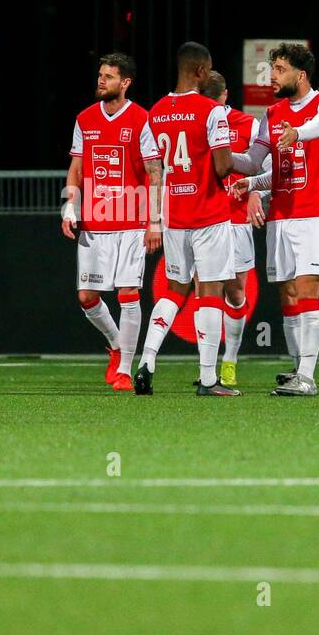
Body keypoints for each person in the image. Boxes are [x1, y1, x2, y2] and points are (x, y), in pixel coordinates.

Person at [230, 43, 319, 396]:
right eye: (273, 68)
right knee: (289, 293)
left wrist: (298, 132)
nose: (273, 76)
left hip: (316, 214)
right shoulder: (273, 112)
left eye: (279, 68)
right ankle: (299, 368)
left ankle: (307, 377)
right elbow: (253, 161)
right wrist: (235, 168)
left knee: (308, 289)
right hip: (281, 214)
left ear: (301, 74)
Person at [135, 42, 239, 397]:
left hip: (174, 217)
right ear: (200, 71)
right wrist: (249, 170)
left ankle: (147, 360)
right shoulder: (213, 112)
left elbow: (153, 172)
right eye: (209, 70)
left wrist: (155, 220)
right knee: (209, 291)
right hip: (209, 213)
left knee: (174, 290)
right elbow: (224, 165)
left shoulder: (154, 113)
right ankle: (209, 379)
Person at [62, 53, 161, 392]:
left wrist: (154, 221)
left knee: (128, 293)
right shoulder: (85, 119)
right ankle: (117, 344)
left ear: (125, 82)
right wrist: (69, 206)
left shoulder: (141, 119)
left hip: (131, 223)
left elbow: (153, 172)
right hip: (94, 223)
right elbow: (76, 167)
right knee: (87, 296)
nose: (101, 80)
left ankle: (124, 369)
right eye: (100, 75)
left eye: (109, 76)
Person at [202, 69, 265, 387]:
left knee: (235, 292)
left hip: (236, 219)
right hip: (201, 219)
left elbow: (265, 165)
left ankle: (230, 360)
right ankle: (208, 367)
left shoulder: (247, 124)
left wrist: (255, 192)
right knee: (205, 291)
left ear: (225, 96)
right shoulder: (194, 121)